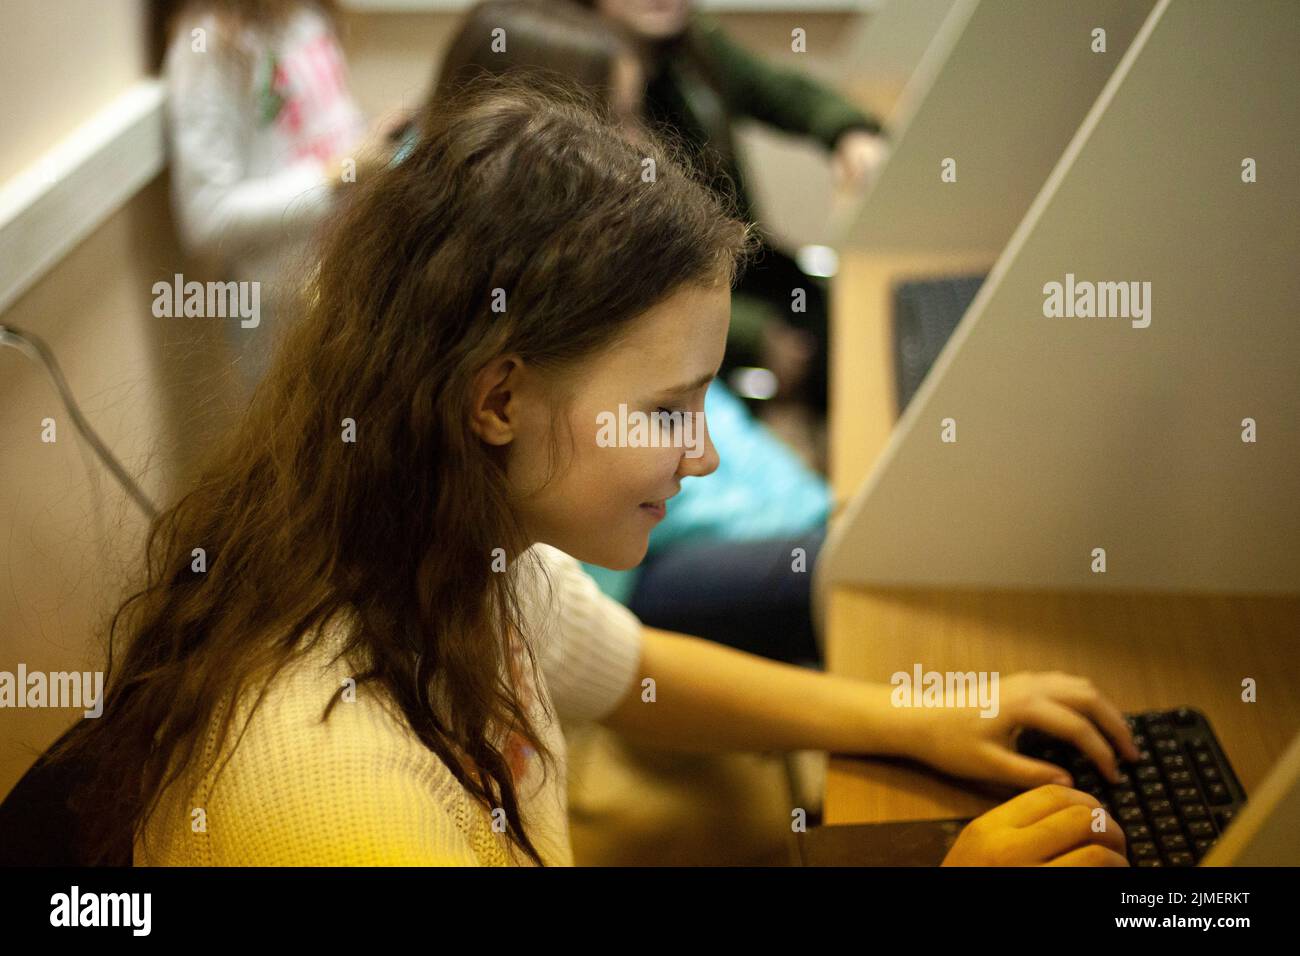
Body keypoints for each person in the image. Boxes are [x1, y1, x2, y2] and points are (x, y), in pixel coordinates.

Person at [47, 77, 1136, 867]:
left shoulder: (453, 550)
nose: (701, 453)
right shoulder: (336, 787)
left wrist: (915, 718)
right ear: (499, 400)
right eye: (666, 408)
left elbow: (634, 669)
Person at [572, 0, 891, 417]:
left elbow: (778, 89)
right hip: (681, 314)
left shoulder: (690, 44)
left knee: (861, 333)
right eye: (622, 121)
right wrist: (750, 333)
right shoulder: (570, 72)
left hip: (739, 274)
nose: (646, 148)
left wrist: (847, 129)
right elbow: (612, 285)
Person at [159, 0, 397, 394]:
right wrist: (333, 176)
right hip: (278, 308)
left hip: (346, 283)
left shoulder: (308, 15)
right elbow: (207, 218)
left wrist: (374, 139)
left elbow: (322, 130)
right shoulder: (209, 44)